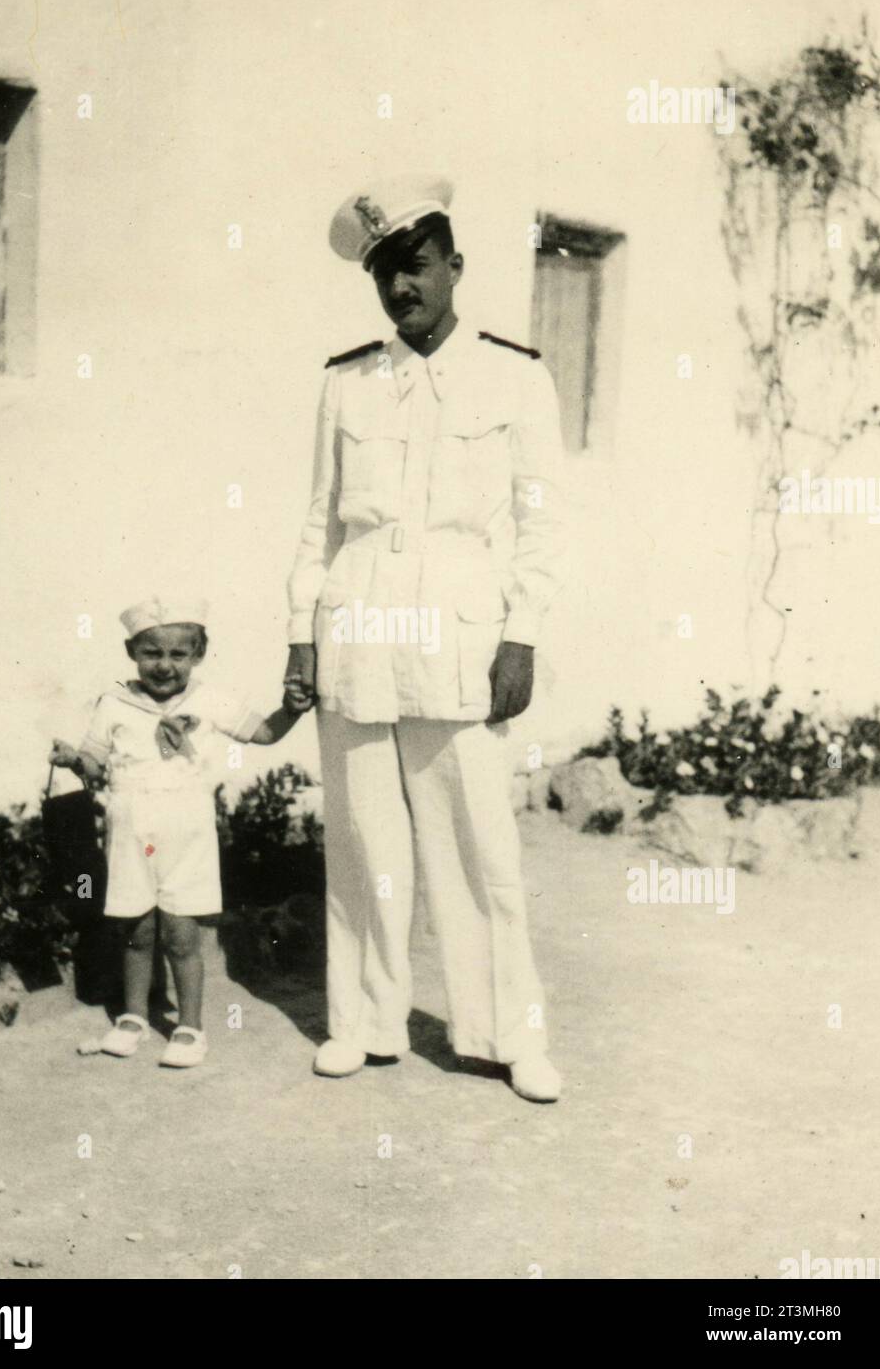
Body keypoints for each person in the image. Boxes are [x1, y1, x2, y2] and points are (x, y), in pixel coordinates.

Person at [283, 175, 566, 1101]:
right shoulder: (345, 381)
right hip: (357, 627)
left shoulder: (516, 376)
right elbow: (319, 523)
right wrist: (301, 634)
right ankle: (364, 1022)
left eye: (414, 267)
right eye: (383, 276)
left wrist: (521, 636)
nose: (400, 289)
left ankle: (506, 1034)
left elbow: (539, 525)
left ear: (453, 265)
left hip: (460, 631)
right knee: (364, 843)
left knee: (478, 844)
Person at [52, 597, 306, 1068]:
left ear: (197, 655)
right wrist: (73, 760)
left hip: (187, 832)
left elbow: (265, 733)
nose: (164, 665)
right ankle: (133, 1017)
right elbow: (94, 763)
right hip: (130, 831)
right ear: (132, 652)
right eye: (152, 653)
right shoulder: (114, 704)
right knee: (136, 930)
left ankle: (189, 1028)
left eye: (177, 654)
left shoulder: (210, 701)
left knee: (181, 934)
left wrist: (292, 709)